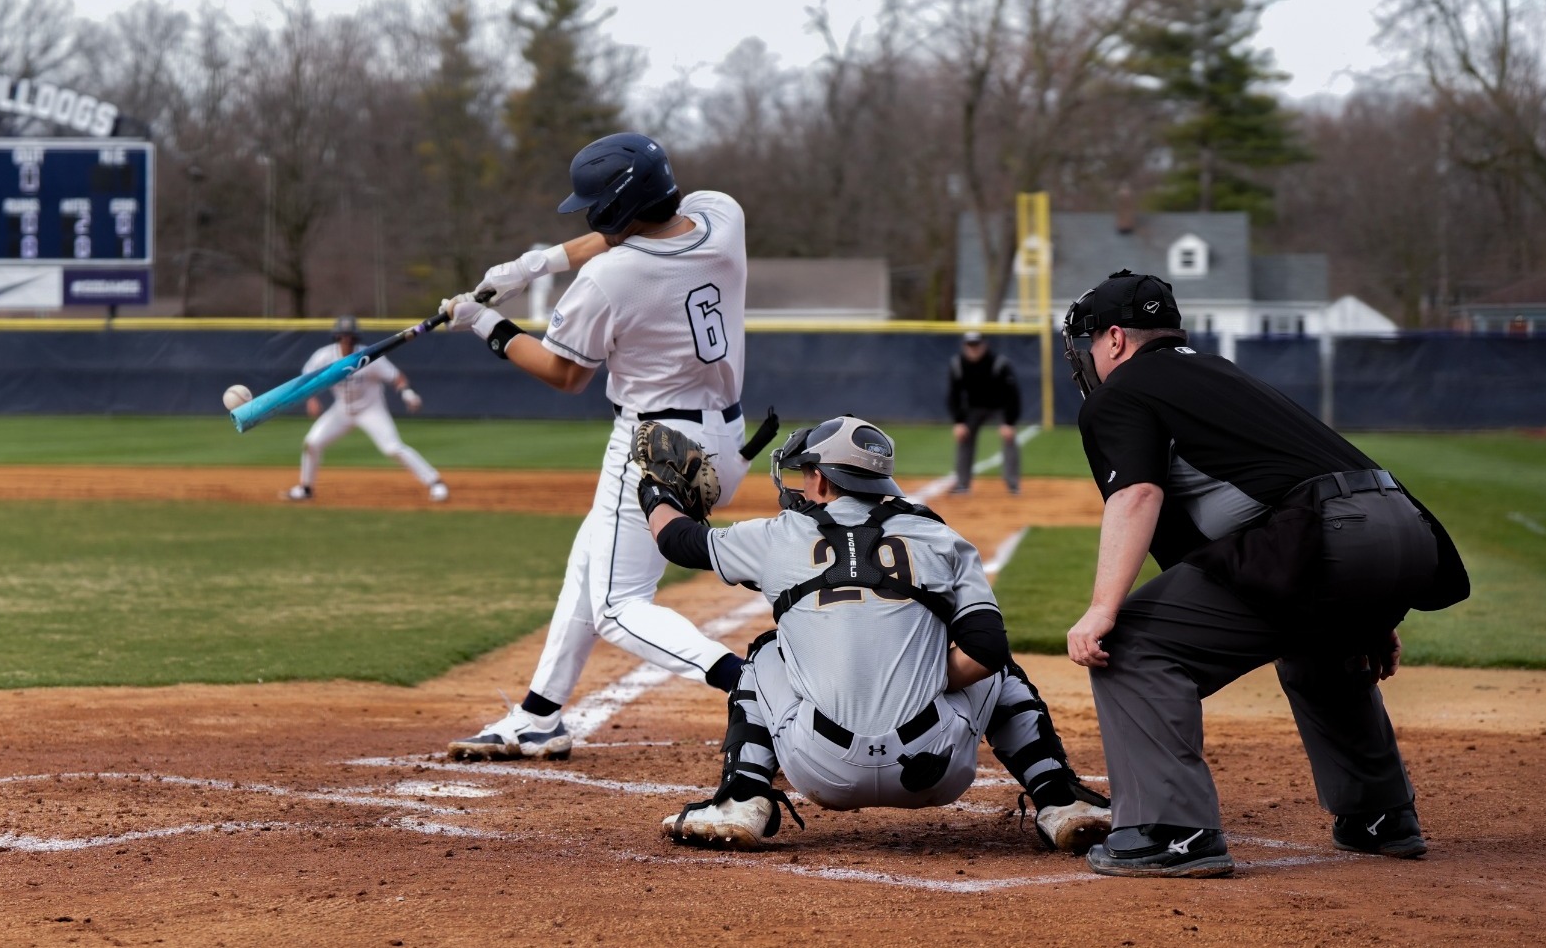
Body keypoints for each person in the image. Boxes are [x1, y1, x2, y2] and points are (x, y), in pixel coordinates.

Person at [1060, 270, 1469, 877]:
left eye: (1091, 343)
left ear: (1115, 339)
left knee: (1132, 644)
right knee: (1319, 643)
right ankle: (1380, 817)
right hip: (1406, 529)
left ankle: (1173, 832)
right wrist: (1370, 614)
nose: (1090, 358)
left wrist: (1102, 609)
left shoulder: (1123, 393)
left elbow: (1138, 497)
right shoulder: (1222, 373)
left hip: (1325, 536)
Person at [440, 132, 769, 761]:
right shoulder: (723, 216)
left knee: (618, 607)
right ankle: (540, 715)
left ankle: (750, 683)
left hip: (654, 445)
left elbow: (567, 375)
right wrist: (534, 266)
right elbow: (636, 227)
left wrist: (485, 324)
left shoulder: (611, 278)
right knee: (589, 560)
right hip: (724, 439)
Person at [636, 415, 1111, 851]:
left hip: (821, 769)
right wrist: (914, 676)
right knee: (1001, 668)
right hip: (936, 765)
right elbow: (986, 648)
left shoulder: (778, 535)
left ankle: (743, 797)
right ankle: (1059, 798)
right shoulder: (941, 538)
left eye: (806, 471)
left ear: (821, 477)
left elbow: (678, 541)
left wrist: (653, 491)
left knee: (766, 655)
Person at [286, 316, 447, 503]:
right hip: (342, 411)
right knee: (311, 443)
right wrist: (311, 399)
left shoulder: (369, 356)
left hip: (370, 410)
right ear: (336, 337)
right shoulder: (325, 356)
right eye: (343, 336)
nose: (346, 340)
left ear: (356, 338)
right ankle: (306, 489)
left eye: (350, 336)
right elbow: (307, 378)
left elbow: (397, 377)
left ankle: (435, 482)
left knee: (393, 448)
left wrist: (407, 393)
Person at [947, 330, 1022, 495]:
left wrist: (1009, 422)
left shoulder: (999, 363)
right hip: (973, 408)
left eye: (976, 345)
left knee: (1009, 437)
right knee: (963, 437)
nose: (973, 349)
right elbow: (954, 395)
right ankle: (962, 484)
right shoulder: (958, 364)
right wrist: (958, 422)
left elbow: (1012, 395)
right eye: (969, 346)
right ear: (964, 347)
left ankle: (1013, 484)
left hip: (999, 407)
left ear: (984, 345)